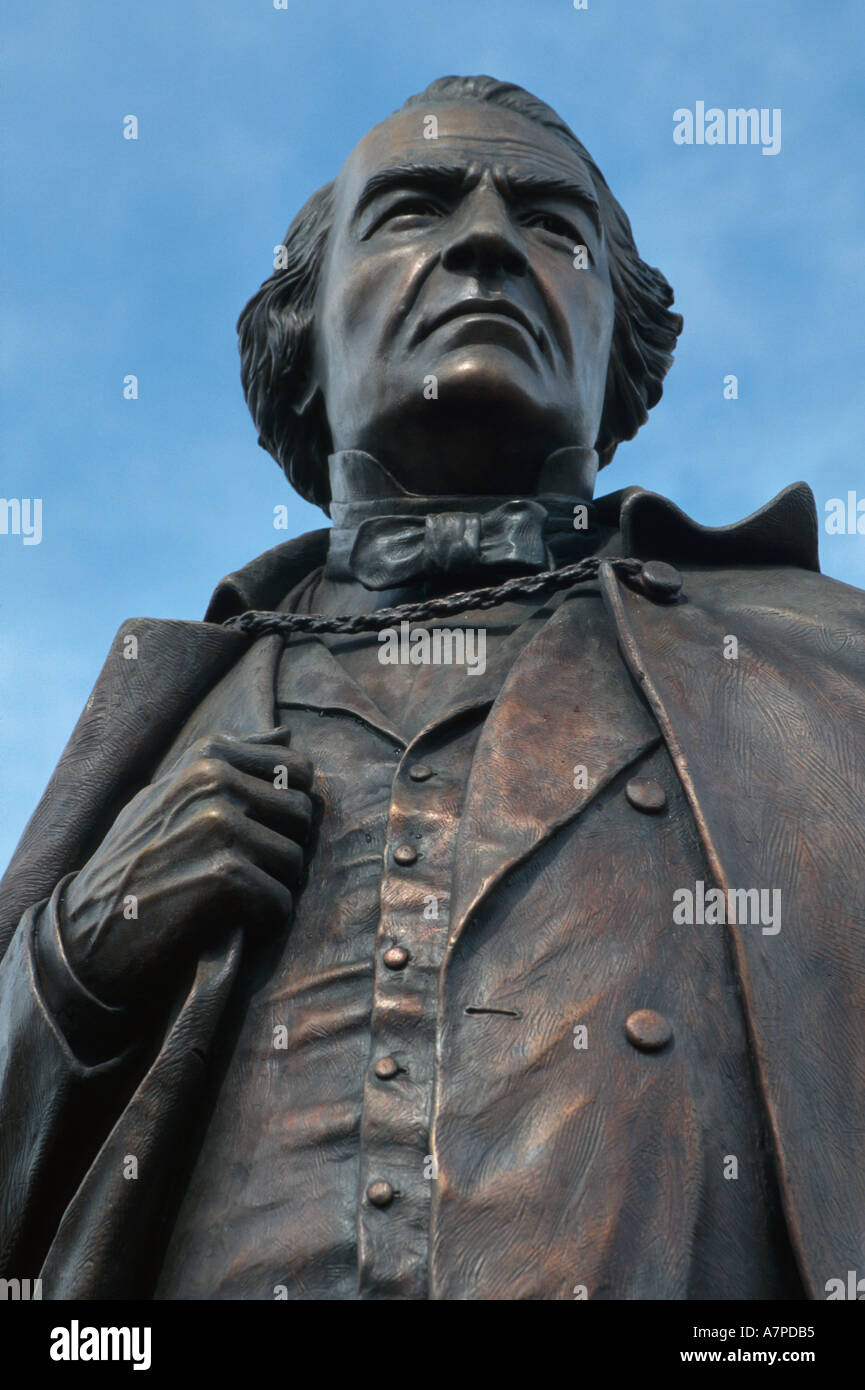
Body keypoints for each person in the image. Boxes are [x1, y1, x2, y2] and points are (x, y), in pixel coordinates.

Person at [2, 76, 863, 1301]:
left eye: (552, 227)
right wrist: (77, 960)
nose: (485, 242)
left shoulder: (818, 670)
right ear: (301, 339)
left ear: (618, 343)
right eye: (411, 211)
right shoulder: (168, 713)